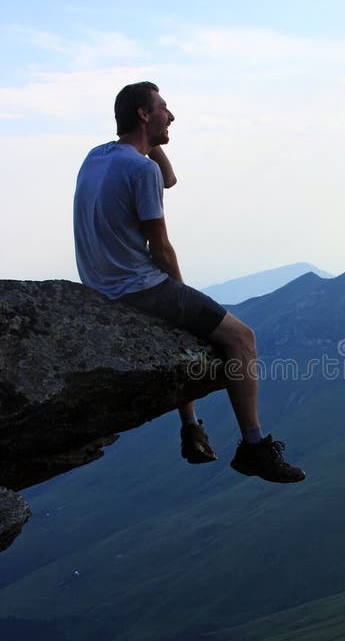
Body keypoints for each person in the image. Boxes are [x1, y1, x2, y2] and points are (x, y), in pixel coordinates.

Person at [73, 81, 305, 484]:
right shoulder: (139, 169)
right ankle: (253, 447)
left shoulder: (97, 157)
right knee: (241, 338)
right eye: (163, 108)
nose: (172, 116)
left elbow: (170, 178)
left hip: (97, 284)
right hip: (136, 287)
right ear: (144, 114)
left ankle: (192, 427)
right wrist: (181, 293)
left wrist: (151, 139)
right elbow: (161, 248)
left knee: (192, 336)